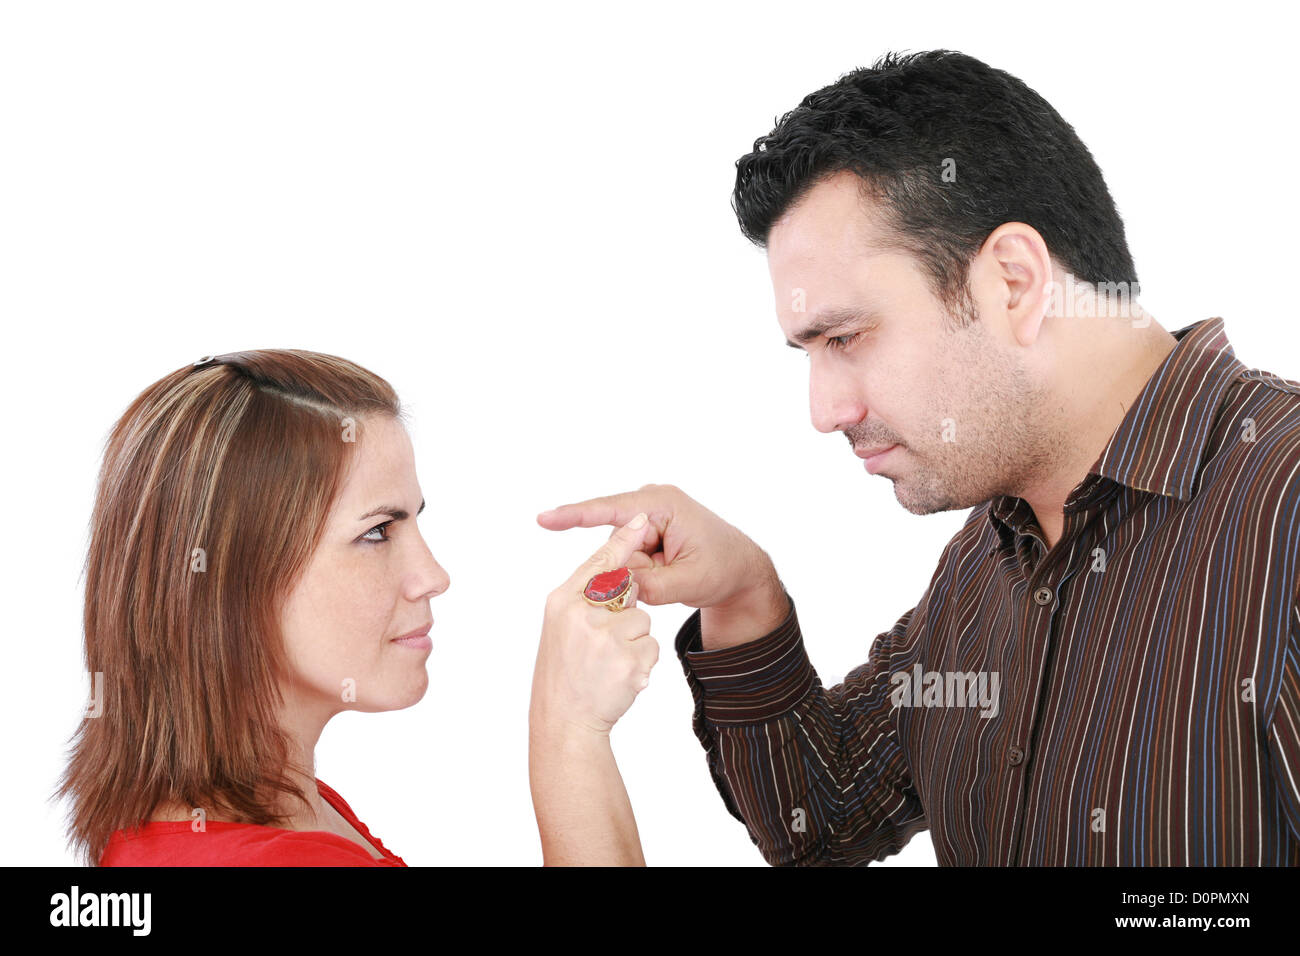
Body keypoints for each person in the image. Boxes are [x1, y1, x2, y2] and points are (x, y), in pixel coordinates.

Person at [537, 50, 1300, 865]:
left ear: (1012, 281)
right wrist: (744, 597)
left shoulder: (1281, 507)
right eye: (810, 353)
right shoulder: (989, 556)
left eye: (846, 337)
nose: (826, 412)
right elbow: (823, 816)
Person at [58, 350, 655, 866]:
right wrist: (569, 729)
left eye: (415, 519)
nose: (433, 577)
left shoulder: (293, 808)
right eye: (377, 532)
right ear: (231, 576)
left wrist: (745, 596)